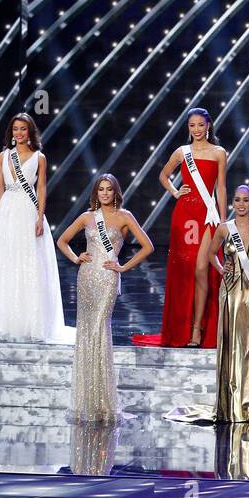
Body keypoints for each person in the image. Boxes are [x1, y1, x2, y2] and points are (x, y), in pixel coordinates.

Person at [169, 185, 249, 424]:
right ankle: (232, 402)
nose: (241, 204)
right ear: (233, 203)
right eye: (237, 200)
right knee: (233, 343)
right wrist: (222, 269)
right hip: (231, 291)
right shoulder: (224, 228)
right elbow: (212, 254)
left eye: (245, 200)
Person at [0, 113, 73, 343]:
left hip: (28, 211)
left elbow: (41, 189)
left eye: (23, 129)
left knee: (29, 263)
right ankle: (0, 320)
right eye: (15, 129)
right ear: (12, 132)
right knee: (2, 263)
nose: (19, 133)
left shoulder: (39, 157)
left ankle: (30, 323)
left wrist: (39, 218)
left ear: (30, 132)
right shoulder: (3, 156)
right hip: (7, 211)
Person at [57, 173, 153, 424]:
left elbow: (147, 246)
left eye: (109, 189)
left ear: (115, 192)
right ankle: (87, 399)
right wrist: (76, 257)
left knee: (100, 330)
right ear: (96, 193)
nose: (105, 193)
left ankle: (102, 401)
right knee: (87, 333)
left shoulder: (125, 216)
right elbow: (62, 240)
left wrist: (123, 266)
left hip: (108, 278)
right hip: (87, 277)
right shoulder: (87, 217)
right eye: (101, 189)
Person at [133, 107, 226, 348]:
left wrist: (224, 225)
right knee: (185, 271)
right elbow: (163, 175)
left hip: (208, 215)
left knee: (201, 267)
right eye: (191, 125)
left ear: (208, 126)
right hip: (184, 215)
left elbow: (222, 189)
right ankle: (185, 327)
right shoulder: (182, 152)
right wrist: (176, 192)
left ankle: (197, 327)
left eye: (200, 125)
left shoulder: (219, 153)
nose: (196, 129)